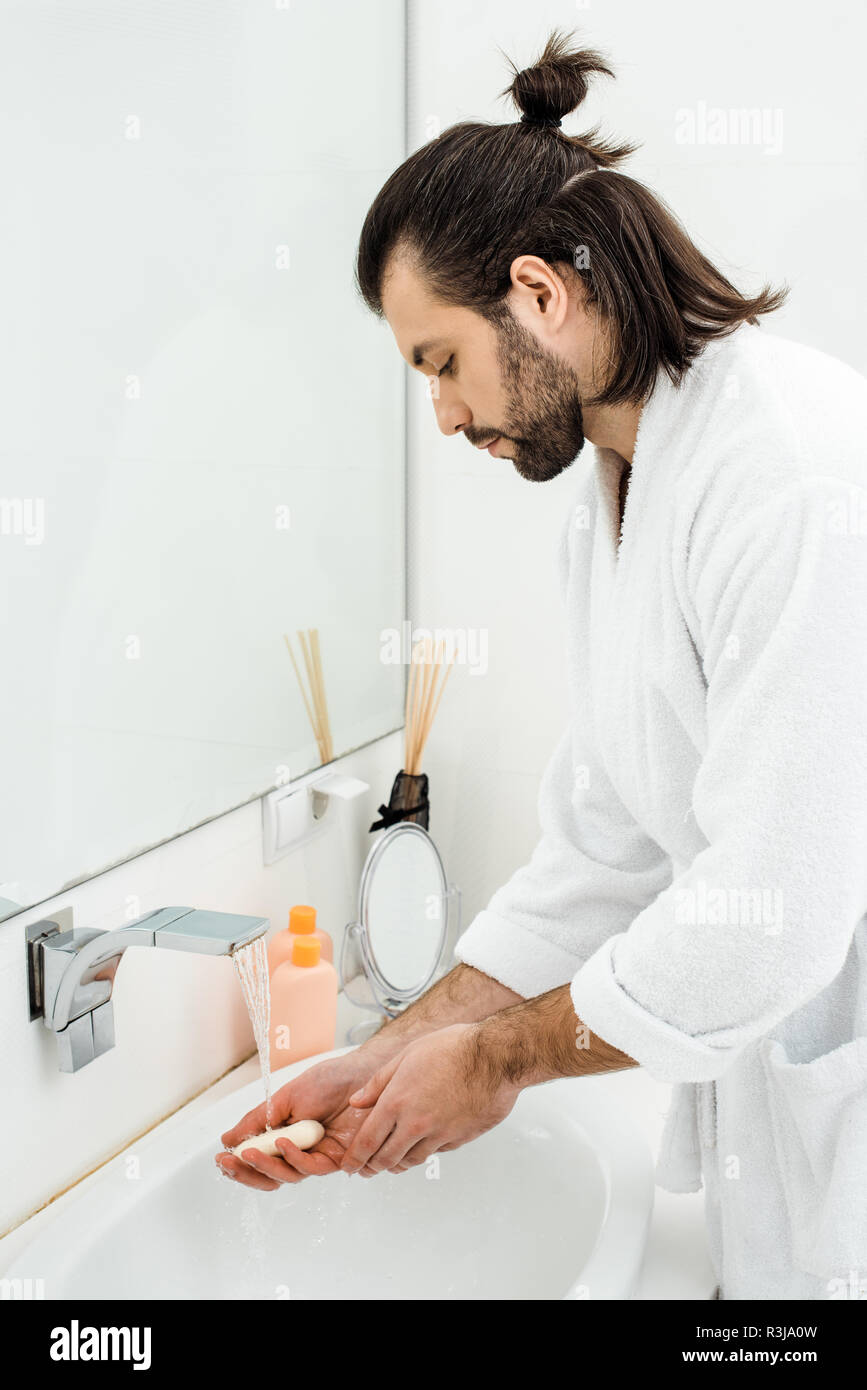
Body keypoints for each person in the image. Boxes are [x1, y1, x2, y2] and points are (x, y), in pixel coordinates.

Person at [217, 30, 867, 1301]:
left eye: (441, 362)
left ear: (539, 292)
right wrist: (401, 1045)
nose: (447, 415)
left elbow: (775, 913)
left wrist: (501, 1062)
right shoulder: (623, 496)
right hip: (780, 1155)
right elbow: (602, 850)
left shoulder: (784, 475)